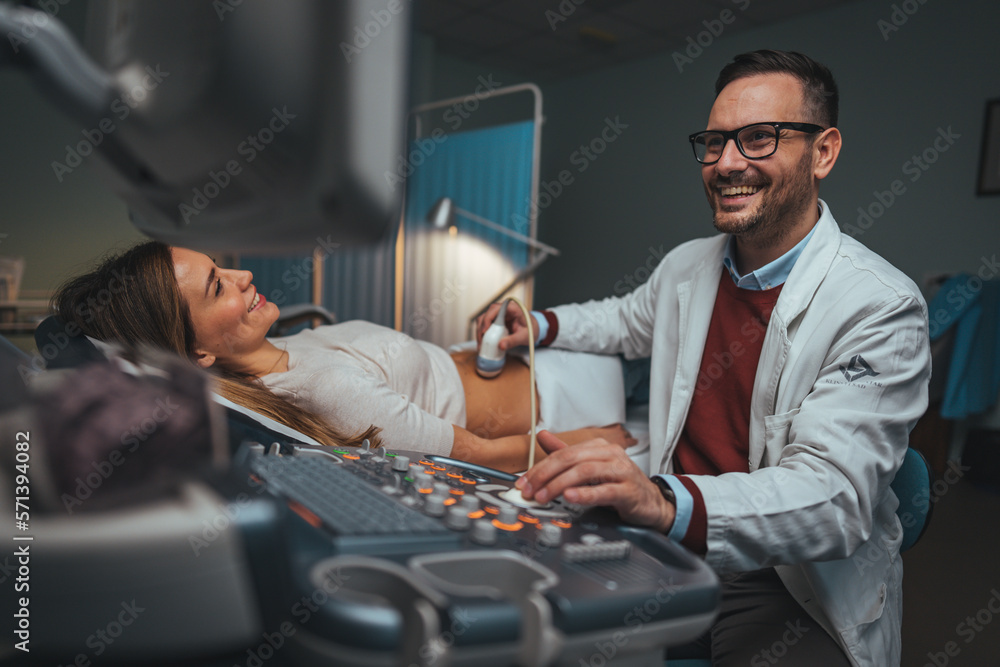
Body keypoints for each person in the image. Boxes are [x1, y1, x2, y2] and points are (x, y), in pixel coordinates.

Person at [476, 50, 930, 666]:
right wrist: (536, 323)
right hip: (668, 546)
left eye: (759, 138)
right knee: (528, 637)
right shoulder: (687, 266)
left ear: (822, 152)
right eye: (714, 143)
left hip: (785, 574)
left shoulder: (880, 305)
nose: (728, 163)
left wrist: (665, 501)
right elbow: (624, 320)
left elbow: (832, 496)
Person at [53, 241, 633, 473]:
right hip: (563, 405)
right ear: (197, 351)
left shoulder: (285, 351)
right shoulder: (320, 395)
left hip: (539, 363)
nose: (243, 276)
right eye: (218, 288)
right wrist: (592, 441)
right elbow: (480, 457)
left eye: (222, 266)